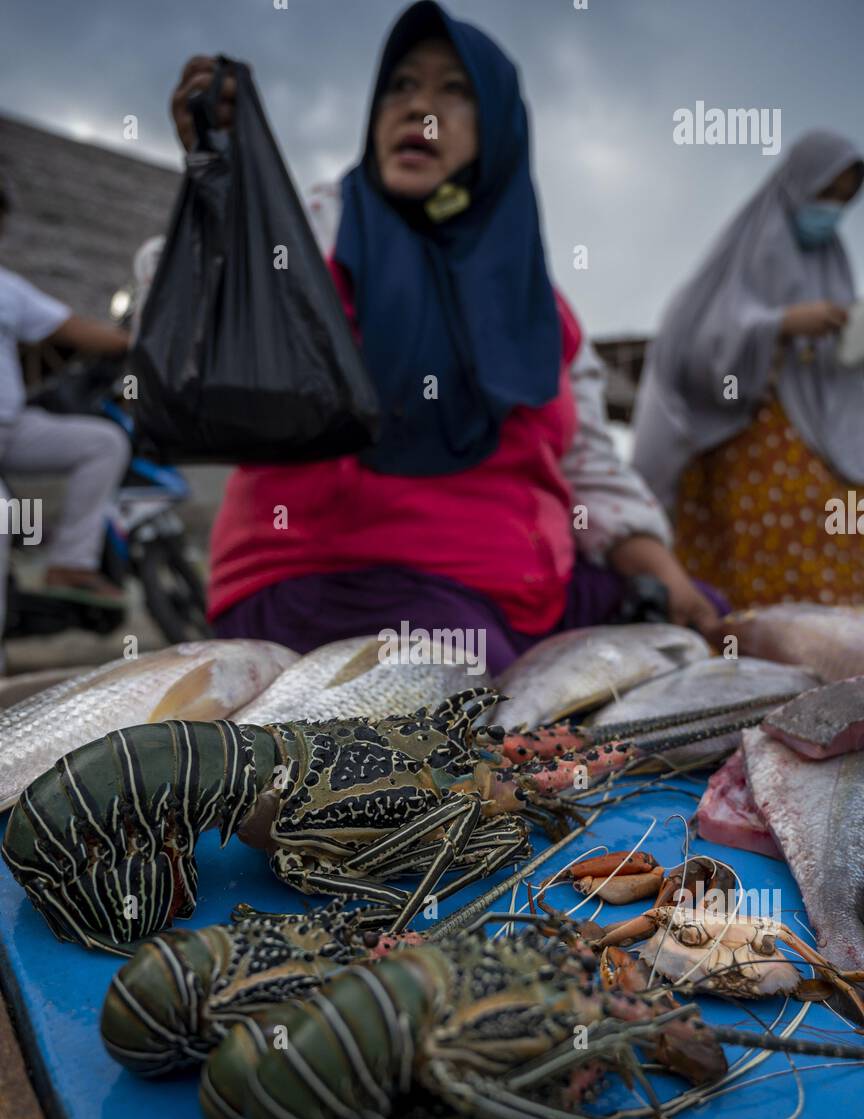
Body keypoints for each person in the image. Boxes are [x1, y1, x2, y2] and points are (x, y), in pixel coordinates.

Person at [171, 1, 721, 672]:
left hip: (528, 594)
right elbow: (213, 333)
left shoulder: (542, 308)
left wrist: (663, 576)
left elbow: (588, 465)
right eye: (400, 86)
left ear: (500, 129)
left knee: (708, 635)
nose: (418, 108)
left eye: (454, 91)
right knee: (457, 684)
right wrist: (229, 191)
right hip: (336, 583)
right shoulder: (314, 234)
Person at [632, 130, 864, 612]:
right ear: (797, 185)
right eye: (826, 193)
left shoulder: (834, 265)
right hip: (741, 452)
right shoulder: (742, 258)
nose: (833, 210)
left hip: (829, 454)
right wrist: (779, 325)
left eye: (845, 199)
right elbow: (687, 347)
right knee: (753, 606)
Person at [0, 179, 131, 648]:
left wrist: (129, 341)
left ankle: (70, 565)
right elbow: (78, 331)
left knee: (103, 443)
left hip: (12, 430)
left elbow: (71, 330)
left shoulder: (9, 289)